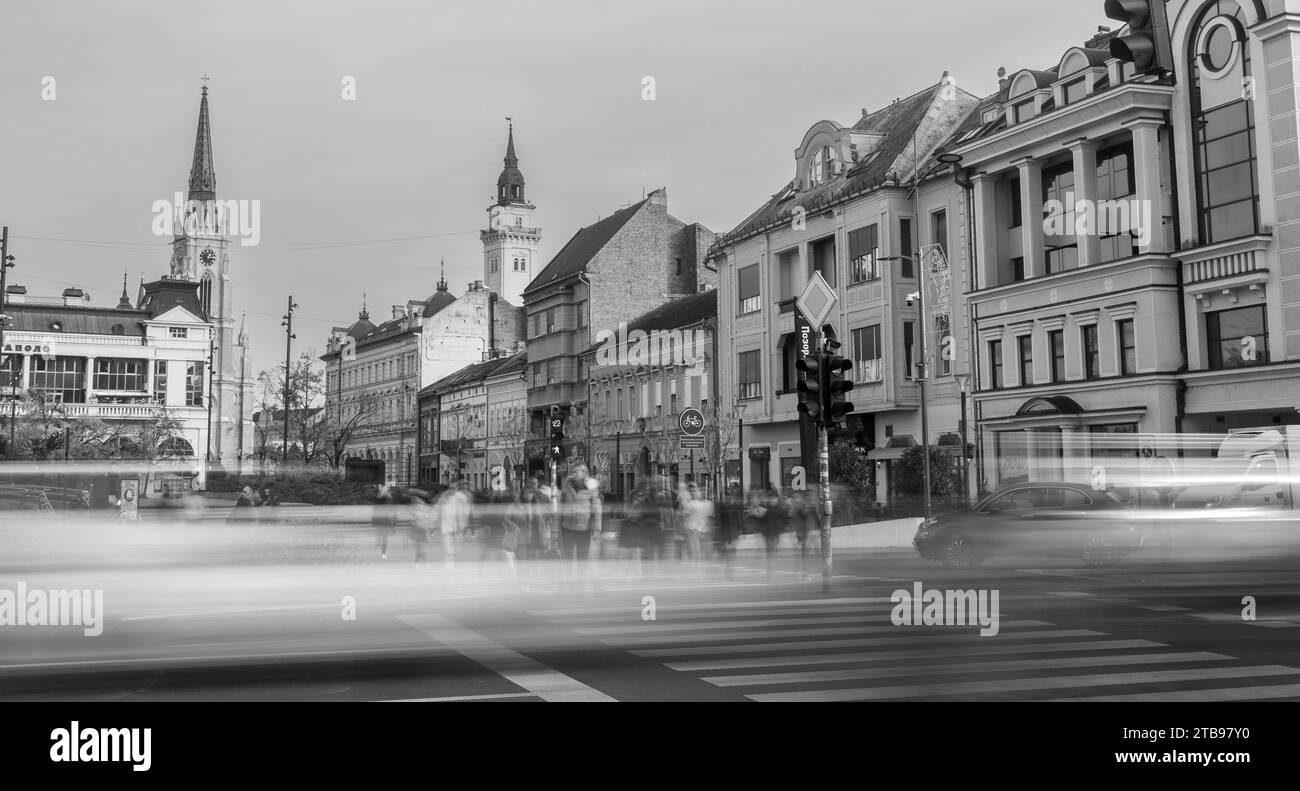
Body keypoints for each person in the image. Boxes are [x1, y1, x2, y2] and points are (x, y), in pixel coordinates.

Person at [558, 464, 602, 597]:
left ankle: (580, 588)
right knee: (567, 560)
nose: (577, 473)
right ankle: (570, 586)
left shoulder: (591, 488)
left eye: (580, 471)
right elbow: (560, 509)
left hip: (584, 528)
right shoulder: (566, 487)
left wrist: (597, 529)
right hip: (567, 527)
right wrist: (555, 530)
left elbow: (597, 510)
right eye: (575, 471)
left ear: (585, 473)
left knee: (582, 560)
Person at [436, 479, 473, 573]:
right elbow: (439, 510)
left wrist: (464, 524)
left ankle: (452, 564)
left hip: (457, 527)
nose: (453, 488)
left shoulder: (461, 497)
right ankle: (450, 567)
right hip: (447, 526)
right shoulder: (445, 497)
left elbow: (466, 511)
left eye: (455, 486)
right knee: (449, 549)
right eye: (452, 486)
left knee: (456, 550)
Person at [679, 483, 713, 579]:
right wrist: (685, 527)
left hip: (704, 530)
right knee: (695, 552)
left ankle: (701, 572)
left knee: (703, 552)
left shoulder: (708, 504)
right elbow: (684, 516)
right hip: (693, 530)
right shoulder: (691, 504)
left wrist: (710, 529)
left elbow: (709, 518)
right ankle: (696, 573)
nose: (700, 493)